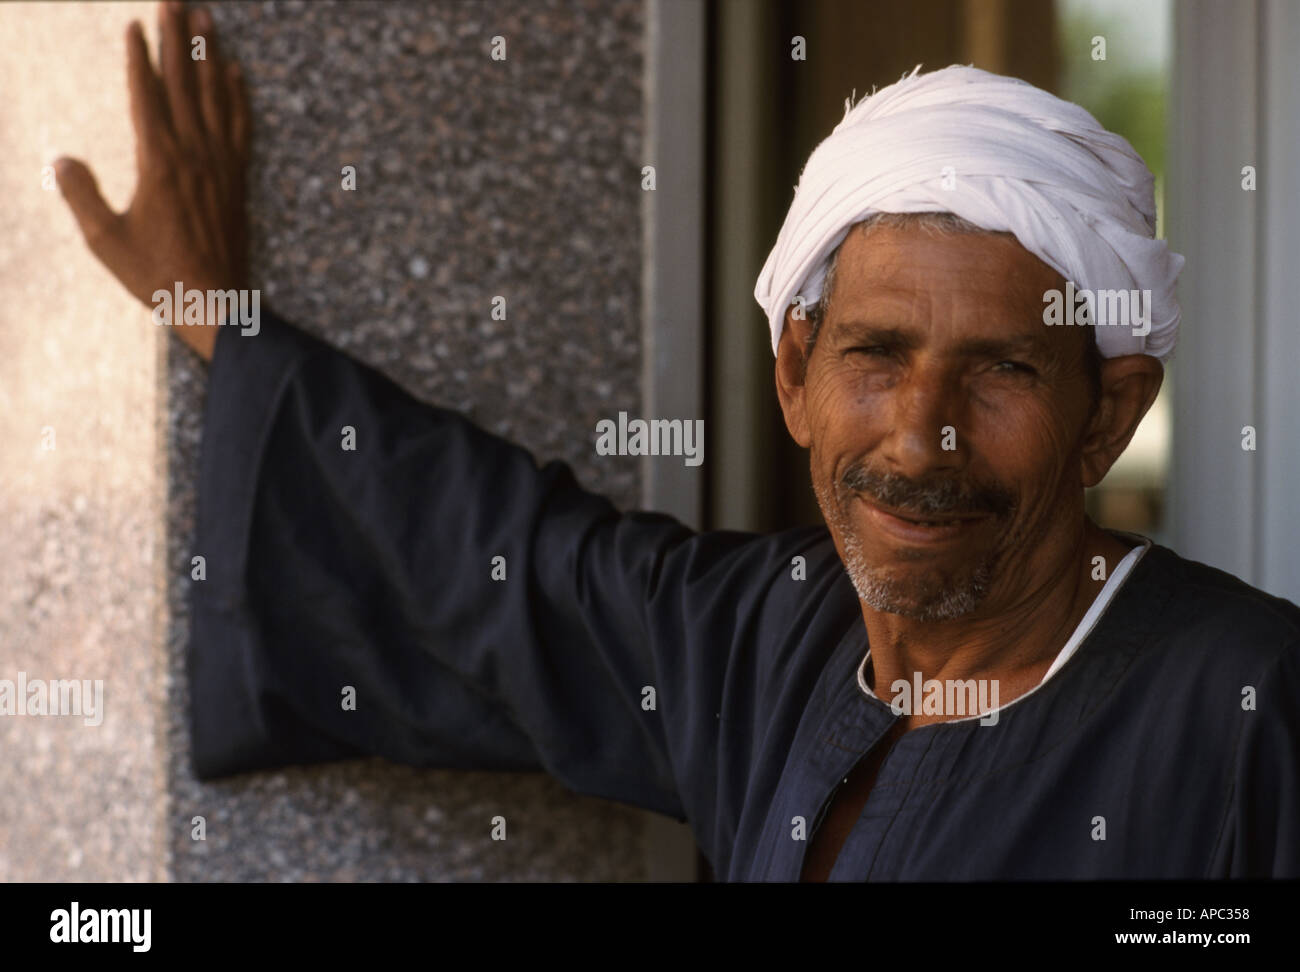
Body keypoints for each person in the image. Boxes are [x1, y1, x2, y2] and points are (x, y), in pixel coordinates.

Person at [58, 2, 1300, 880]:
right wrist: (217, 319)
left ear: (1110, 414)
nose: (922, 437)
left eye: (1002, 370)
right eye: (874, 356)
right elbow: (498, 561)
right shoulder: (768, 637)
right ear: (796, 374)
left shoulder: (1248, 709)